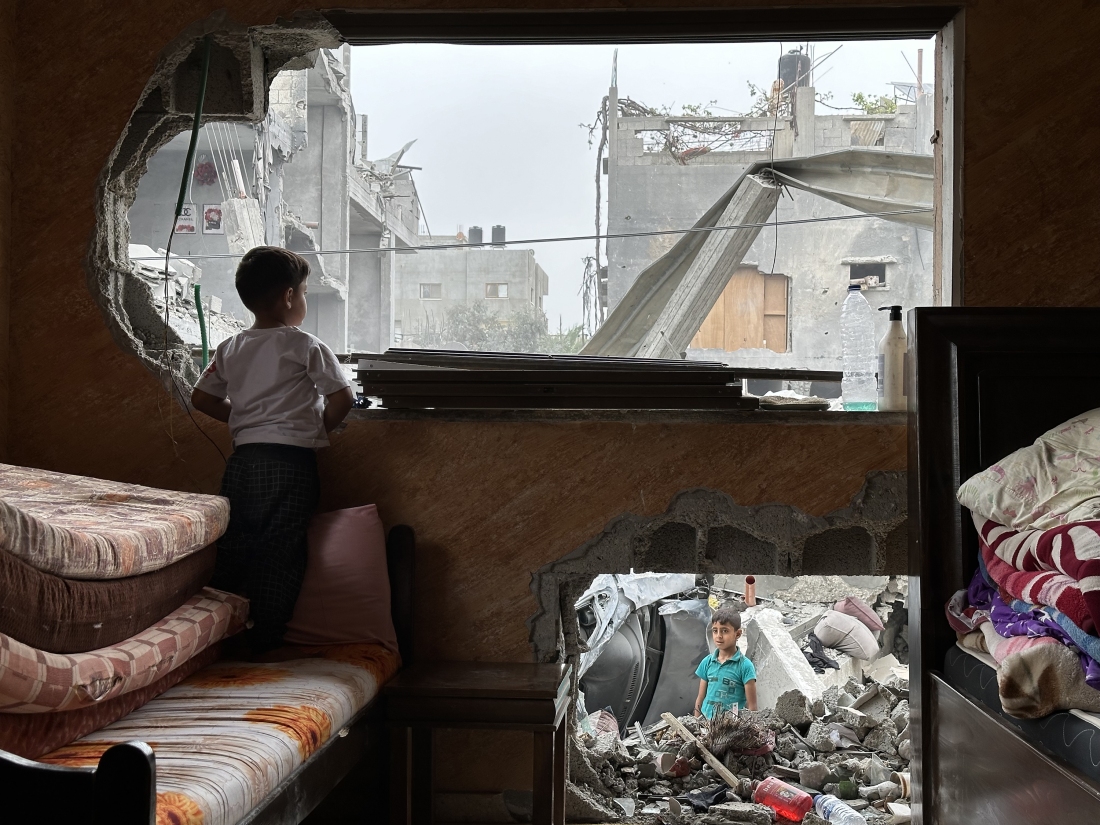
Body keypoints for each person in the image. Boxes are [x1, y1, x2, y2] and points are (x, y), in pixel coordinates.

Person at [191, 246, 355, 655]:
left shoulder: (230, 346)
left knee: (235, 545)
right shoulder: (305, 345)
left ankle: (219, 635)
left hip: (244, 462)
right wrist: (311, 429)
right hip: (291, 464)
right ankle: (266, 638)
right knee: (281, 549)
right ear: (288, 296)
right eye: (303, 292)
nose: (302, 300)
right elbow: (343, 398)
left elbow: (202, 399)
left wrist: (245, 422)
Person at [694, 607, 758, 718]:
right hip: (705, 724)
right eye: (715, 630)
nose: (719, 635)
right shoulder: (707, 662)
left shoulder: (745, 666)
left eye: (725, 631)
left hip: (730, 729)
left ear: (737, 634)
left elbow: (752, 707)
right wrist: (695, 722)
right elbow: (700, 697)